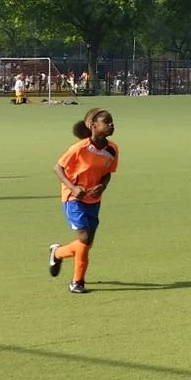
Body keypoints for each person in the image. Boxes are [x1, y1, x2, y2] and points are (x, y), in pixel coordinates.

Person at [47, 108, 118, 294]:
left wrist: (102, 186)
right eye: (107, 122)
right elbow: (57, 168)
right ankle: (77, 282)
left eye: (112, 122)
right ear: (94, 126)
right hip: (73, 199)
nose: (112, 125)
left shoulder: (112, 149)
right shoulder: (79, 148)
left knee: (86, 244)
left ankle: (57, 253)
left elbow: (108, 174)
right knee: (84, 239)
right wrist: (73, 188)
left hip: (94, 200)